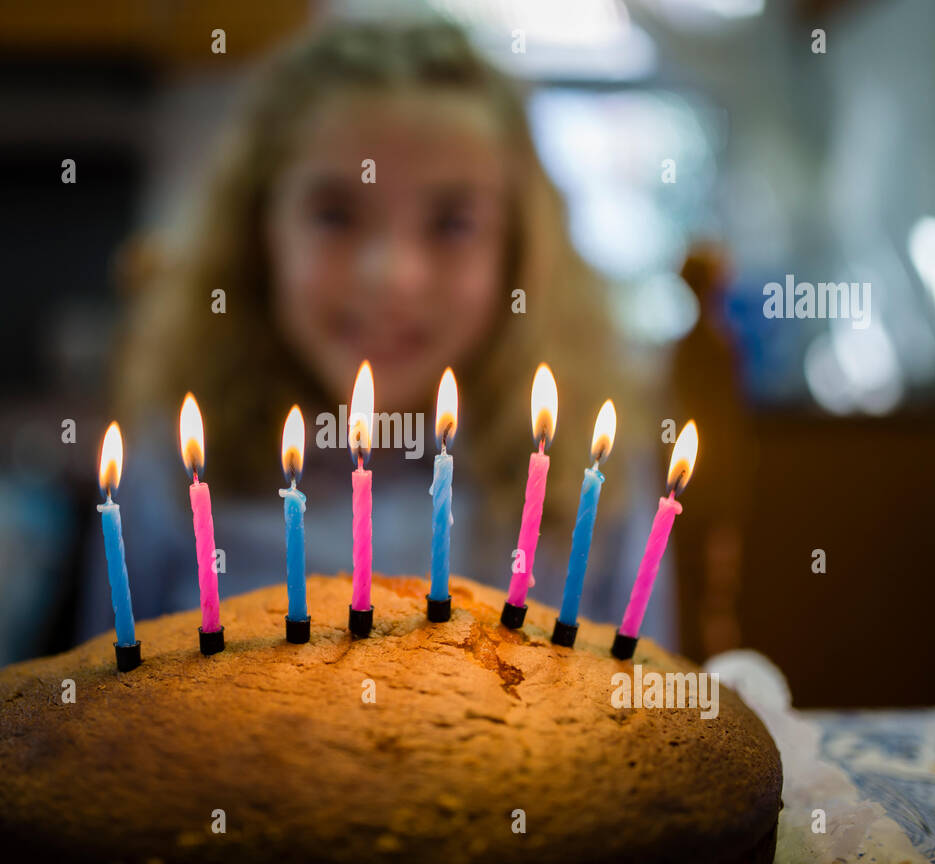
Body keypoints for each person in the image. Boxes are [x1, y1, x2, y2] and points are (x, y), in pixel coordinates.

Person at [80, 18, 675, 649]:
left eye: (451, 223)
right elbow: (102, 699)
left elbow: (640, 701)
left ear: (520, 253)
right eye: (335, 215)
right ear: (258, 237)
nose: (393, 276)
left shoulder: (586, 469)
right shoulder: (175, 462)